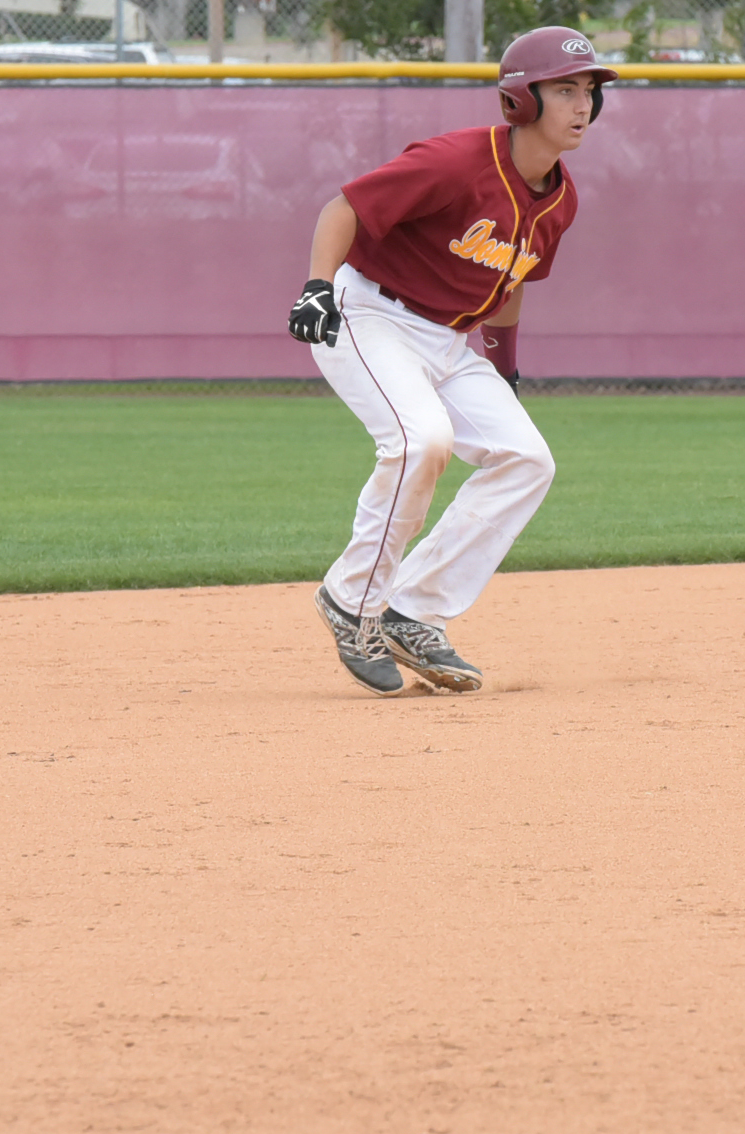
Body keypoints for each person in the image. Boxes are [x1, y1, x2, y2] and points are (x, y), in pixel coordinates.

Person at [287, 26, 617, 697]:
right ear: (521, 100)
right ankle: (353, 603)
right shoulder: (457, 161)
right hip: (369, 312)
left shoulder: (560, 198)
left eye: (587, 91)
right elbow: (345, 206)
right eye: (564, 90)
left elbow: (512, 277)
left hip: (447, 340)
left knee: (527, 459)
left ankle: (413, 610)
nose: (581, 105)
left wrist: (504, 368)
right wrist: (316, 285)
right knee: (421, 441)